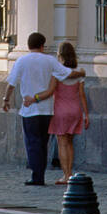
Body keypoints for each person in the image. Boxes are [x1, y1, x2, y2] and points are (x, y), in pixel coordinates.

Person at [1, 32, 85, 186]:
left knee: (32, 142)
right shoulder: (50, 60)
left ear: (28, 45)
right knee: (43, 143)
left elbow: (11, 83)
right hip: (47, 110)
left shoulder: (21, 61)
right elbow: (67, 73)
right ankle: (41, 172)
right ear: (42, 45)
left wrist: (6, 100)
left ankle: (37, 175)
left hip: (29, 109)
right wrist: (81, 72)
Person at [34, 41, 90, 184]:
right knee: (70, 143)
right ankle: (70, 173)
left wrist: (35, 98)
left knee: (62, 143)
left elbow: (51, 91)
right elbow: (82, 95)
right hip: (76, 110)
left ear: (60, 56)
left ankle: (66, 175)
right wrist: (86, 115)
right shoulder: (79, 72)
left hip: (61, 111)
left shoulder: (57, 73)